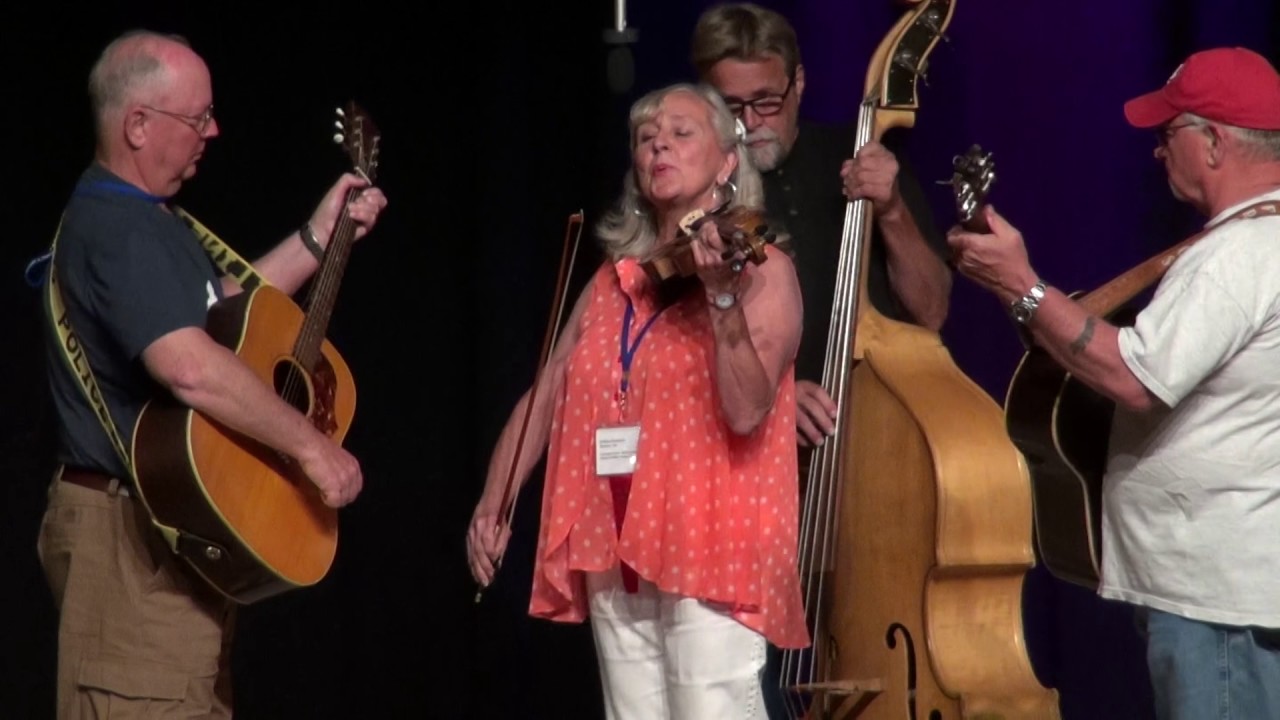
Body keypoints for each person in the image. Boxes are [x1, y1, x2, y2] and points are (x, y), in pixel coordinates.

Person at [36, 29, 387, 717]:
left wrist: (320, 235)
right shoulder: (116, 227)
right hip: (127, 545)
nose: (214, 130)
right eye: (198, 117)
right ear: (138, 124)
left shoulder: (152, 223)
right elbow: (191, 367)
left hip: (164, 544)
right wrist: (313, 448)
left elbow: (234, 315)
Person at [947, 46, 1280, 720]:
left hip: (1214, 603)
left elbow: (1134, 377)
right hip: (1219, 590)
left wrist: (1022, 285)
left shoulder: (1236, 257)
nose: (1158, 153)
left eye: (1167, 135)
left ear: (1213, 142)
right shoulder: (1249, 243)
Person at [467, 82, 808, 719]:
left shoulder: (761, 270)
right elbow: (550, 387)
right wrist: (496, 499)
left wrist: (723, 298)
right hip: (613, 543)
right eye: (647, 137)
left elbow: (747, 410)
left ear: (728, 160)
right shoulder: (610, 281)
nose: (659, 145)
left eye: (682, 134)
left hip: (711, 546)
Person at [690, 2, 953, 450]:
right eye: (732, 106)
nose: (750, 122)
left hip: (876, 434)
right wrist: (773, 401)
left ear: (799, 83)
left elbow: (930, 311)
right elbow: (672, 355)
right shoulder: (697, 194)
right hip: (750, 454)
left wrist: (891, 211)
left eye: (767, 101)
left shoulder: (858, 155)